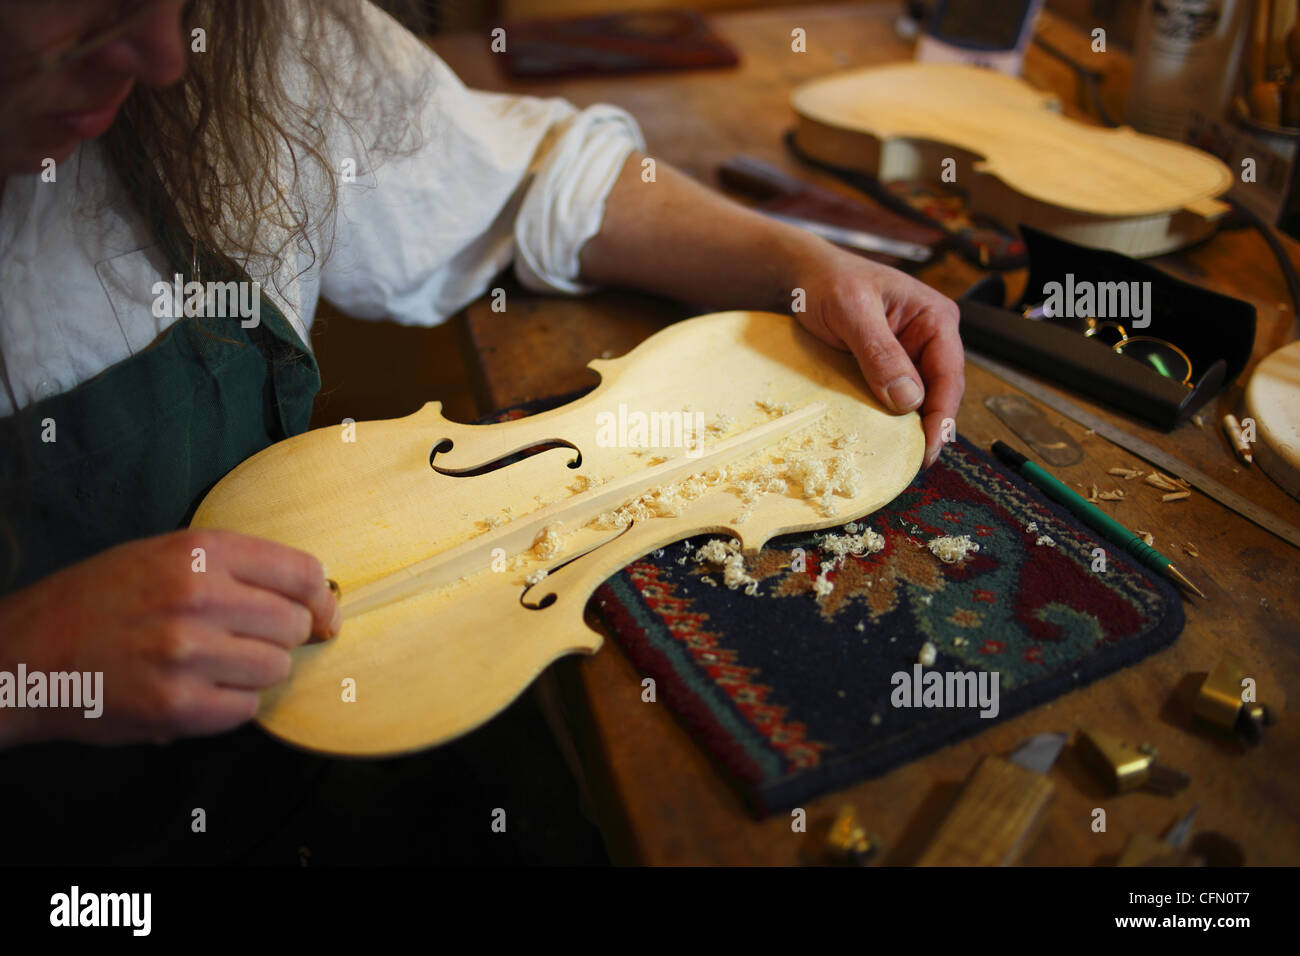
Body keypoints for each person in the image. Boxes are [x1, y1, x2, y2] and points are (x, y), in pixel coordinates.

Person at [0, 0, 963, 863]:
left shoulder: (240, 35)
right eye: (92, 12)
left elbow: (536, 184)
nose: (165, 53)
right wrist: (26, 663)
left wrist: (802, 261)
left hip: (337, 714)